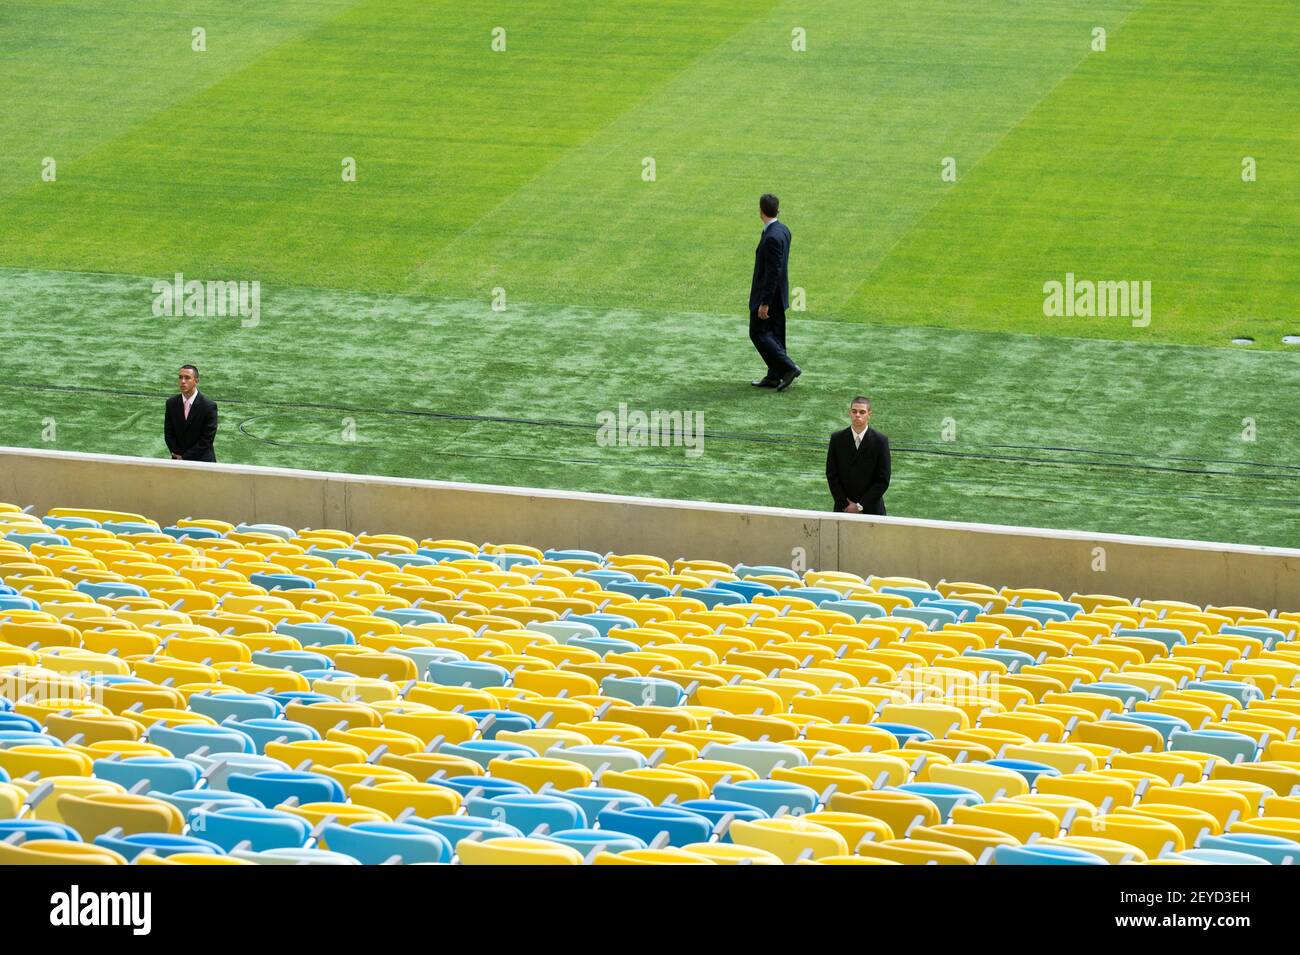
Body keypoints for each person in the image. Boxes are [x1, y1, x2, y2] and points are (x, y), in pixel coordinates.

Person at [748, 193, 801, 391]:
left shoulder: (771, 236)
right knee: (776, 335)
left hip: (770, 296)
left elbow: (772, 272)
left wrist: (764, 302)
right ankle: (773, 376)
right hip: (780, 295)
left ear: (761, 211)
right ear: (777, 210)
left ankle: (788, 368)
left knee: (758, 333)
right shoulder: (783, 230)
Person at [826, 396, 890, 515]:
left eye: (862, 412)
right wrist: (846, 505)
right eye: (854, 411)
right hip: (843, 509)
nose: (857, 415)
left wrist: (860, 506)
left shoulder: (880, 441)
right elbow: (832, 475)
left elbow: (883, 480)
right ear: (849, 413)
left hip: (872, 510)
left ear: (869, 414)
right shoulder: (837, 439)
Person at [164, 364, 218, 462]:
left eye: (187, 378)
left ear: (196, 381)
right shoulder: (171, 403)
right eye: (180, 377)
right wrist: (178, 455)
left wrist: (185, 457)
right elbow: (168, 433)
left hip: (203, 462)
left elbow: (207, 439)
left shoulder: (209, 406)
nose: (183, 381)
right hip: (177, 460)